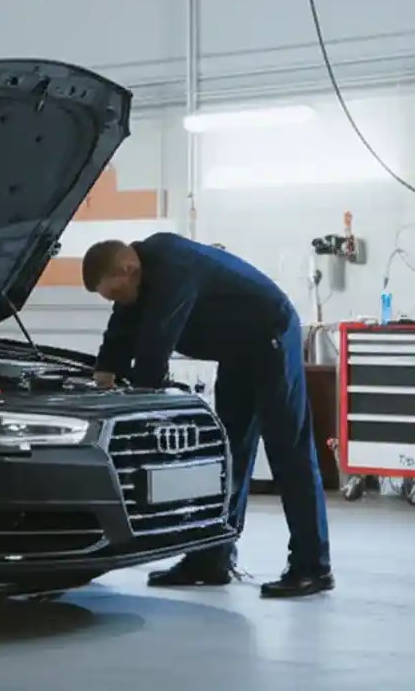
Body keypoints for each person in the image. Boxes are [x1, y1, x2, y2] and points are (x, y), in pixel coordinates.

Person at [82, 232, 332, 598]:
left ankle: (313, 567)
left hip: (271, 335)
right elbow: (122, 326)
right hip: (238, 351)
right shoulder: (136, 277)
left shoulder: (172, 263)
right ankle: (210, 558)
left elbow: (158, 336)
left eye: (116, 293)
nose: (117, 302)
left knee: (288, 450)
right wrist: (102, 376)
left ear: (128, 268)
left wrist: (140, 396)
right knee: (229, 455)